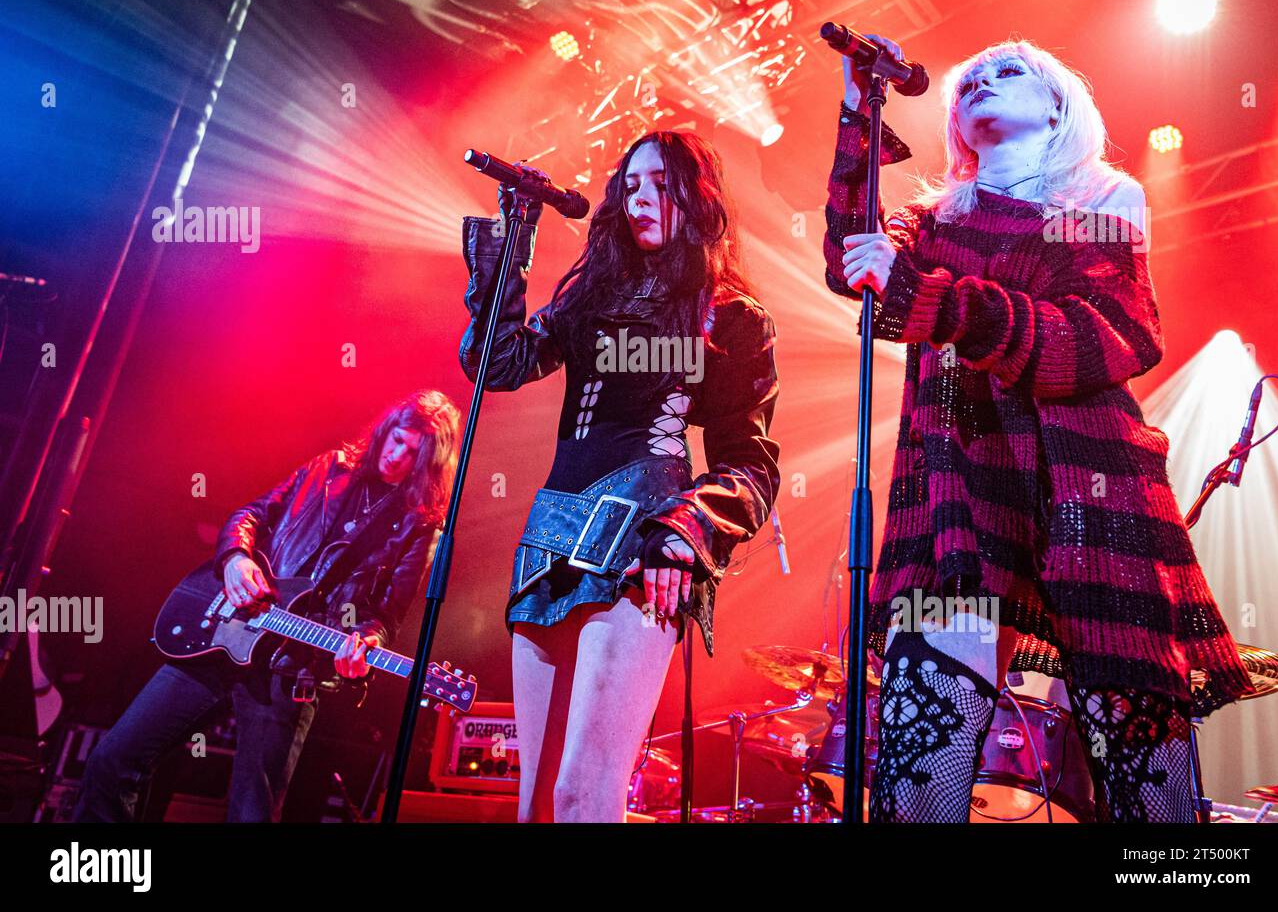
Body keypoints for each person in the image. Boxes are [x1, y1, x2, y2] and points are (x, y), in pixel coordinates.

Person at [822, 37, 1253, 823]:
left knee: (1144, 774)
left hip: (1094, 488)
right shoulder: (930, 223)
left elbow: (1107, 336)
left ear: (1058, 103)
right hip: (958, 485)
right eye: (967, 80)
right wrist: (857, 110)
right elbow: (850, 258)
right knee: (923, 761)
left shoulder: (1108, 200)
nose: (981, 80)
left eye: (1007, 70)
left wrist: (942, 302)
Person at [460, 131, 780, 822]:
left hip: (639, 545)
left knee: (585, 794)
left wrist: (683, 531)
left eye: (660, 184)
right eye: (630, 185)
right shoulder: (591, 300)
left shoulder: (730, 316)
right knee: (536, 807)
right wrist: (515, 238)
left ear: (698, 196)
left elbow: (750, 461)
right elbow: (499, 366)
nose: (640, 198)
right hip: (549, 542)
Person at [74, 389, 460, 822]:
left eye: (412, 452)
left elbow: (384, 615)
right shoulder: (331, 468)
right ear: (386, 429)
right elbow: (251, 514)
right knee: (112, 760)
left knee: (252, 816)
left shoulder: (420, 524)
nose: (396, 455)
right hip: (224, 633)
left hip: (290, 666)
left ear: (428, 462)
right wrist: (235, 558)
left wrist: (362, 648)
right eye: (396, 439)